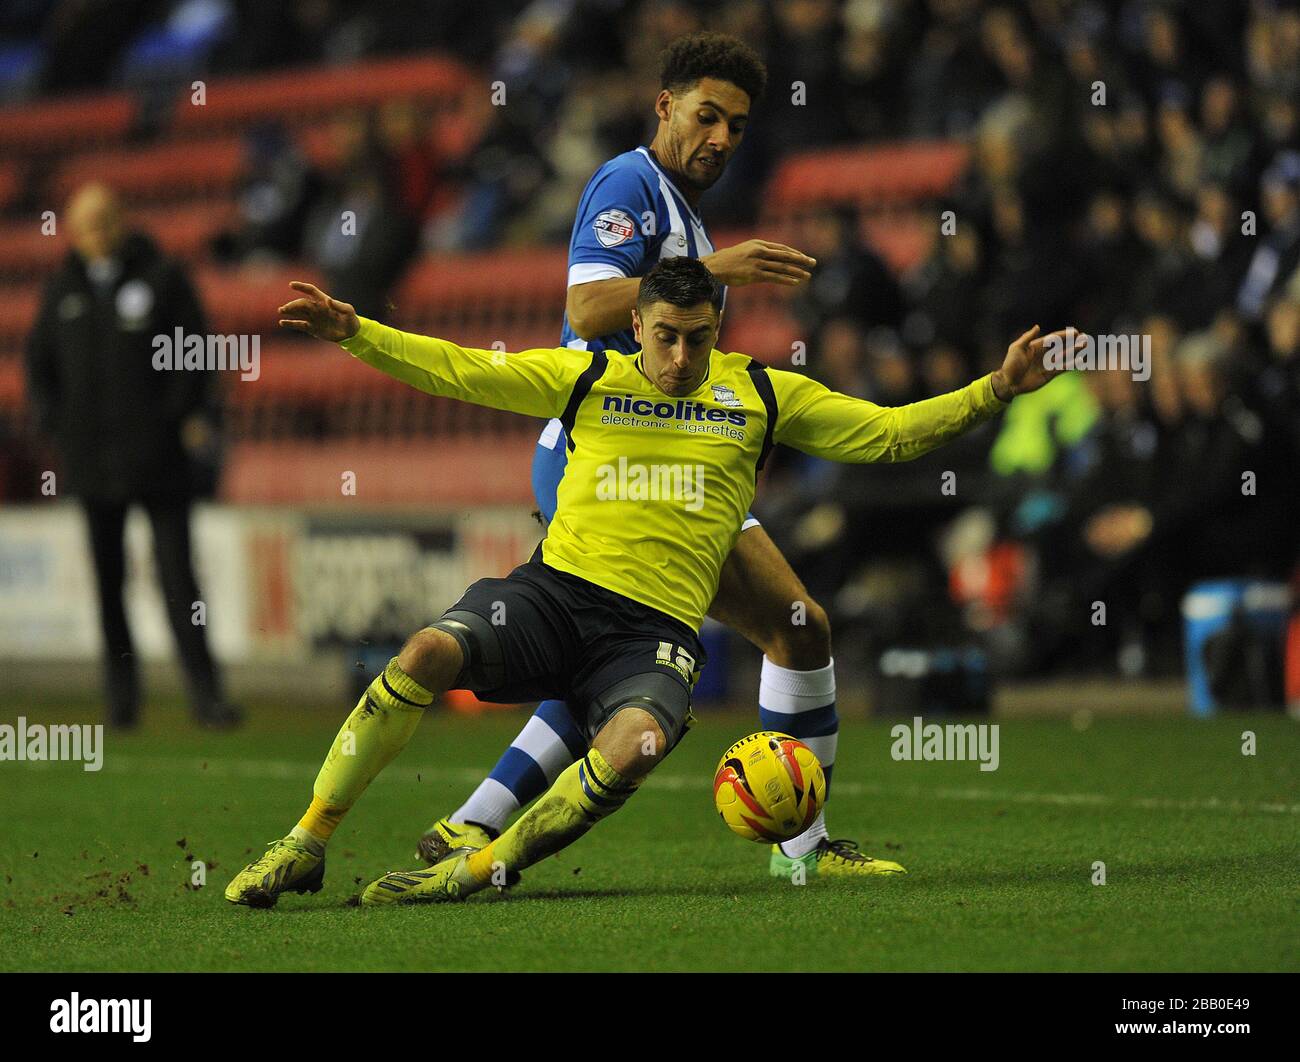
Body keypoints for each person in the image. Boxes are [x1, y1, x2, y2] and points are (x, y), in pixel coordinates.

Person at [224, 259, 1074, 907]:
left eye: (698, 338)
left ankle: (473, 871)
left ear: (718, 328)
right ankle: (306, 839)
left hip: (653, 635)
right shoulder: (589, 378)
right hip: (553, 595)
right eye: (665, 335)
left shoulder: (762, 394)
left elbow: (888, 434)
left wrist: (997, 388)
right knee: (424, 652)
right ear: (635, 324)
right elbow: (459, 370)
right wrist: (357, 332)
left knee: (635, 745)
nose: (679, 355)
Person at [416, 30, 893, 883]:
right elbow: (586, 308)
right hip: (607, 458)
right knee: (777, 629)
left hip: (670, 462)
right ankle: (805, 849)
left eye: (737, 126)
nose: (721, 137)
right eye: (707, 116)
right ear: (665, 106)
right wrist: (716, 268)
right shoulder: (629, 183)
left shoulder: (680, 210)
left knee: (783, 628)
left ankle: (471, 821)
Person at [24, 183, 240, 730]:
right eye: (85, 225)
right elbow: (40, 366)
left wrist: (175, 417)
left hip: (159, 462)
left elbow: (197, 353)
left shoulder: (162, 277)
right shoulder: (62, 289)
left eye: (104, 220)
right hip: (92, 466)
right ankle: (121, 702)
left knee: (178, 582)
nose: (96, 233)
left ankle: (206, 695)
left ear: (121, 220)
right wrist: (59, 425)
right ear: (73, 233)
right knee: (108, 586)